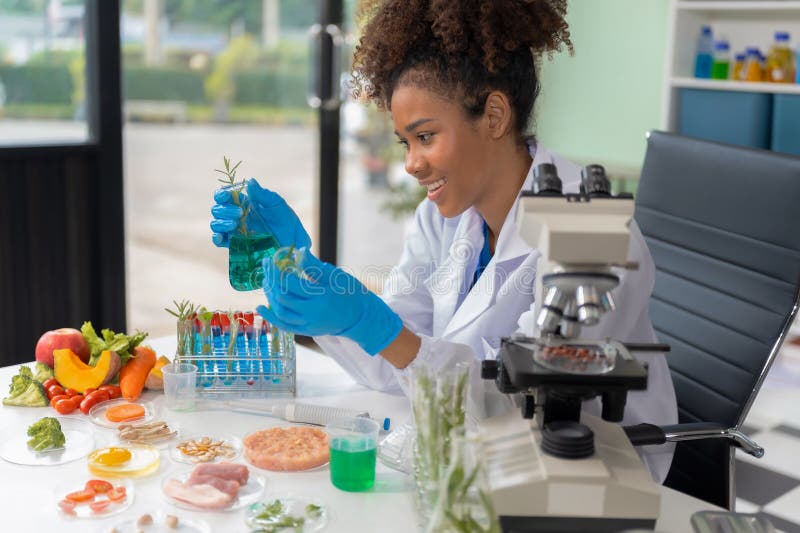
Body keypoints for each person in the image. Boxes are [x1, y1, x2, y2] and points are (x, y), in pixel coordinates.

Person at [210, 0, 676, 482]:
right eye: (404, 143)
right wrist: (299, 268)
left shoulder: (591, 232)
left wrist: (383, 331)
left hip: (587, 475)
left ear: (494, 116)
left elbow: (526, 404)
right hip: (471, 453)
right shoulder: (443, 219)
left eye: (425, 136)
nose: (411, 163)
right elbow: (395, 363)